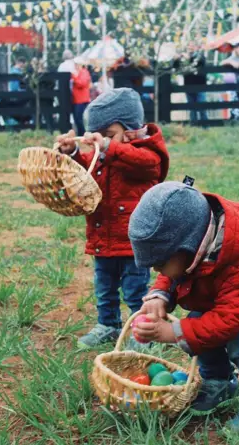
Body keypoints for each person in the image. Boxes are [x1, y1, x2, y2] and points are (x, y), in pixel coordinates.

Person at [129, 182, 239, 436]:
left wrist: (171, 332)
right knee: (199, 319)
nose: (156, 270)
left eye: (158, 263)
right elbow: (173, 275)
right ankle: (220, 382)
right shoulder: (195, 253)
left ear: (189, 248)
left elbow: (228, 322)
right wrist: (158, 297)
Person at [55, 88, 170, 349]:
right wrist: (73, 153)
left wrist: (108, 146)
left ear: (130, 129)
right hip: (103, 235)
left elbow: (143, 163)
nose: (102, 143)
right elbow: (87, 169)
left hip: (133, 243)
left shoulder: (146, 153)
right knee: (104, 289)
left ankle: (144, 333)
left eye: (108, 135)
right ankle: (108, 324)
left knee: (135, 290)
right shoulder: (106, 152)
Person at [182, 42, 208, 127]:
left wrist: (188, 58)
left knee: (201, 107)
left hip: (200, 86)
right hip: (188, 86)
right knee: (191, 108)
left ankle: (205, 127)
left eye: (193, 46)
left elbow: (199, 62)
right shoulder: (184, 58)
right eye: (189, 46)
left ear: (196, 47)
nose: (191, 47)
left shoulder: (200, 56)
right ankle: (193, 127)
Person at [71, 56, 92, 136]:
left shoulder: (84, 72)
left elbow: (82, 83)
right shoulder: (80, 72)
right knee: (77, 118)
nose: (75, 66)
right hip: (77, 99)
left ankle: (83, 134)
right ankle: (81, 134)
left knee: (79, 119)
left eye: (76, 64)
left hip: (81, 100)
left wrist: (74, 77)